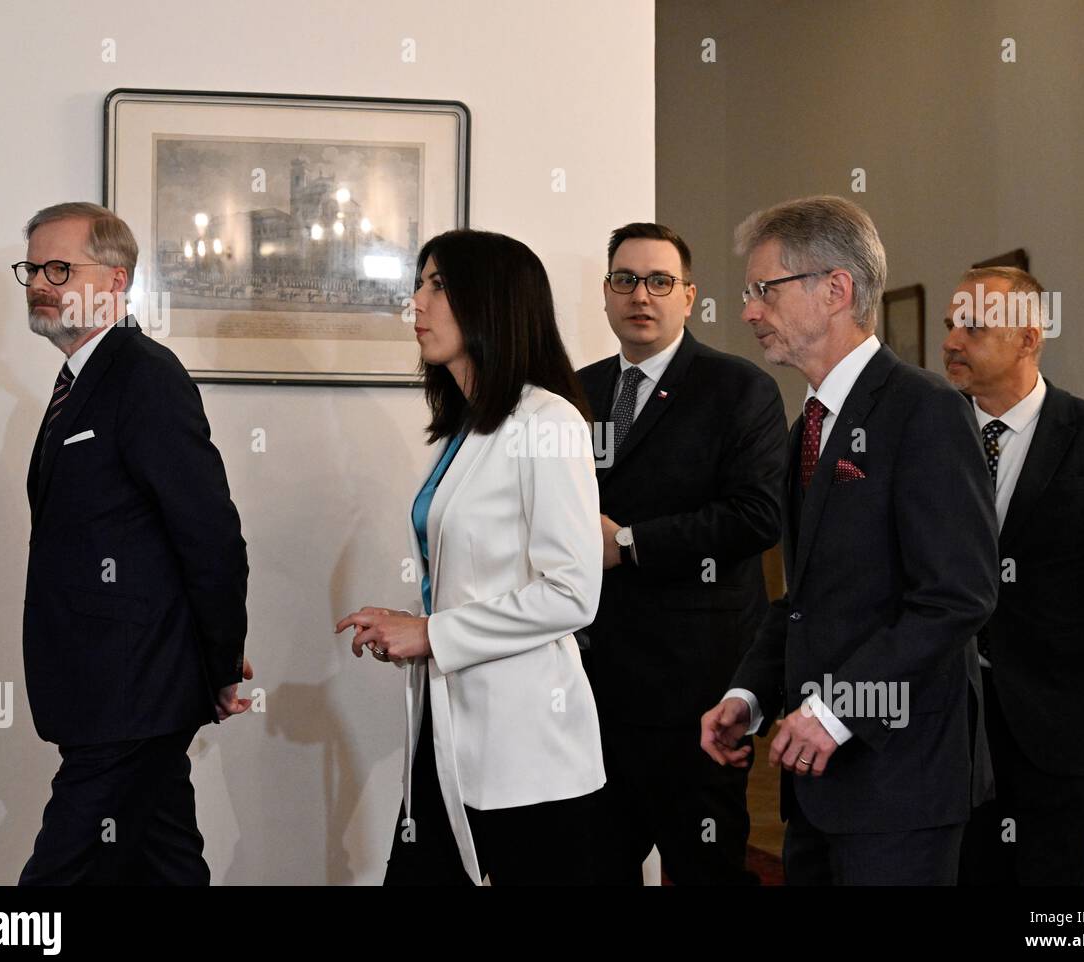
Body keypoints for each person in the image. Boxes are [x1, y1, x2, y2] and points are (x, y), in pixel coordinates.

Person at [700, 195, 1000, 885]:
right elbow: (801, 599)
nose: (748, 310)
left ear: (836, 289)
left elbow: (958, 595)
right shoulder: (808, 422)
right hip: (818, 786)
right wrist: (747, 697)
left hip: (901, 782)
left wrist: (839, 709)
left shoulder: (924, 411)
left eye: (764, 290)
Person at [336, 229, 605, 885]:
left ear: (493, 303)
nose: (417, 303)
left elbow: (573, 592)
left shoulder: (549, 421)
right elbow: (474, 575)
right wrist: (412, 622)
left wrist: (432, 632)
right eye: (419, 283)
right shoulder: (467, 424)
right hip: (448, 726)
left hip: (526, 749)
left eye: (437, 285)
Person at [17, 202, 251, 885]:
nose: (39, 282)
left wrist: (219, 663)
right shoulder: (76, 383)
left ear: (116, 281)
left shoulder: (145, 375)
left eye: (59, 267)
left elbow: (210, 535)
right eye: (31, 268)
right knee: (167, 863)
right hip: (105, 691)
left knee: (52, 882)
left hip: (132, 693)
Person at [942, 267, 1084, 885]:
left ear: (1028, 338)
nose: (952, 341)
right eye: (950, 324)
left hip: (1057, 722)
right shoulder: (927, 433)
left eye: (975, 326)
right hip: (945, 717)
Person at [576, 223, 785, 884]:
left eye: (660, 281)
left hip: (699, 690)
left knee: (705, 868)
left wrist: (631, 544)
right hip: (595, 688)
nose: (642, 295)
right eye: (625, 280)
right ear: (606, 295)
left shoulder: (739, 389)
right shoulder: (572, 393)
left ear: (690, 296)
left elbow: (759, 515)